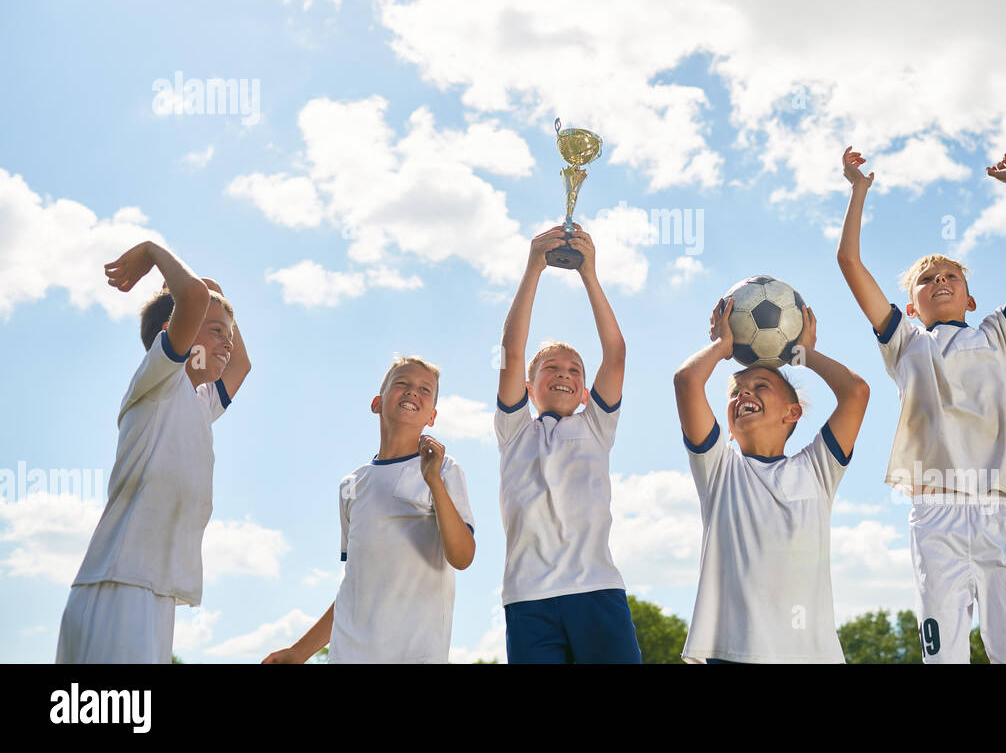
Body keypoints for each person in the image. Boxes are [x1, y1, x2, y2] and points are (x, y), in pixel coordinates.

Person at [837, 148, 1006, 663]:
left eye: (951, 277)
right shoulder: (907, 344)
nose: (939, 281)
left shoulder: (998, 336)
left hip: (999, 508)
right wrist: (858, 192)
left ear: (970, 299)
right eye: (926, 279)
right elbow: (849, 263)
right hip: (935, 511)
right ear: (911, 305)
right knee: (944, 656)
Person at [56, 241, 251, 663]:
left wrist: (216, 298)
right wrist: (151, 251)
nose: (228, 343)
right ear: (174, 329)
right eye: (217, 331)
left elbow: (242, 366)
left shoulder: (200, 402)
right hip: (119, 583)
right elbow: (195, 297)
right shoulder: (162, 378)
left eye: (229, 335)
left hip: (156, 590)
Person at [674, 299, 869, 662]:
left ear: (792, 413)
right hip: (732, 652)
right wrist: (720, 348)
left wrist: (806, 354)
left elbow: (856, 392)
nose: (743, 393)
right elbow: (687, 381)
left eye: (760, 385)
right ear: (727, 430)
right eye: (735, 392)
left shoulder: (816, 469)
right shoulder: (720, 469)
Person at [263, 357, 474, 664]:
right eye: (402, 383)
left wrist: (434, 483)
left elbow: (463, 556)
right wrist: (298, 652)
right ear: (377, 403)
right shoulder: (351, 484)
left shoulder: (444, 471)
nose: (413, 391)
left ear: (433, 416)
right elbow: (355, 584)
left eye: (424, 389)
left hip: (415, 654)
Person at [494, 225, 640, 663]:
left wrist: (589, 274)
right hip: (529, 597)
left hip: (596, 589)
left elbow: (615, 353)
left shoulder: (595, 425)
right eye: (551, 367)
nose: (564, 373)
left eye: (575, 370)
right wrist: (532, 269)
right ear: (529, 386)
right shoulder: (515, 430)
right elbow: (510, 350)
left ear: (584, 392)